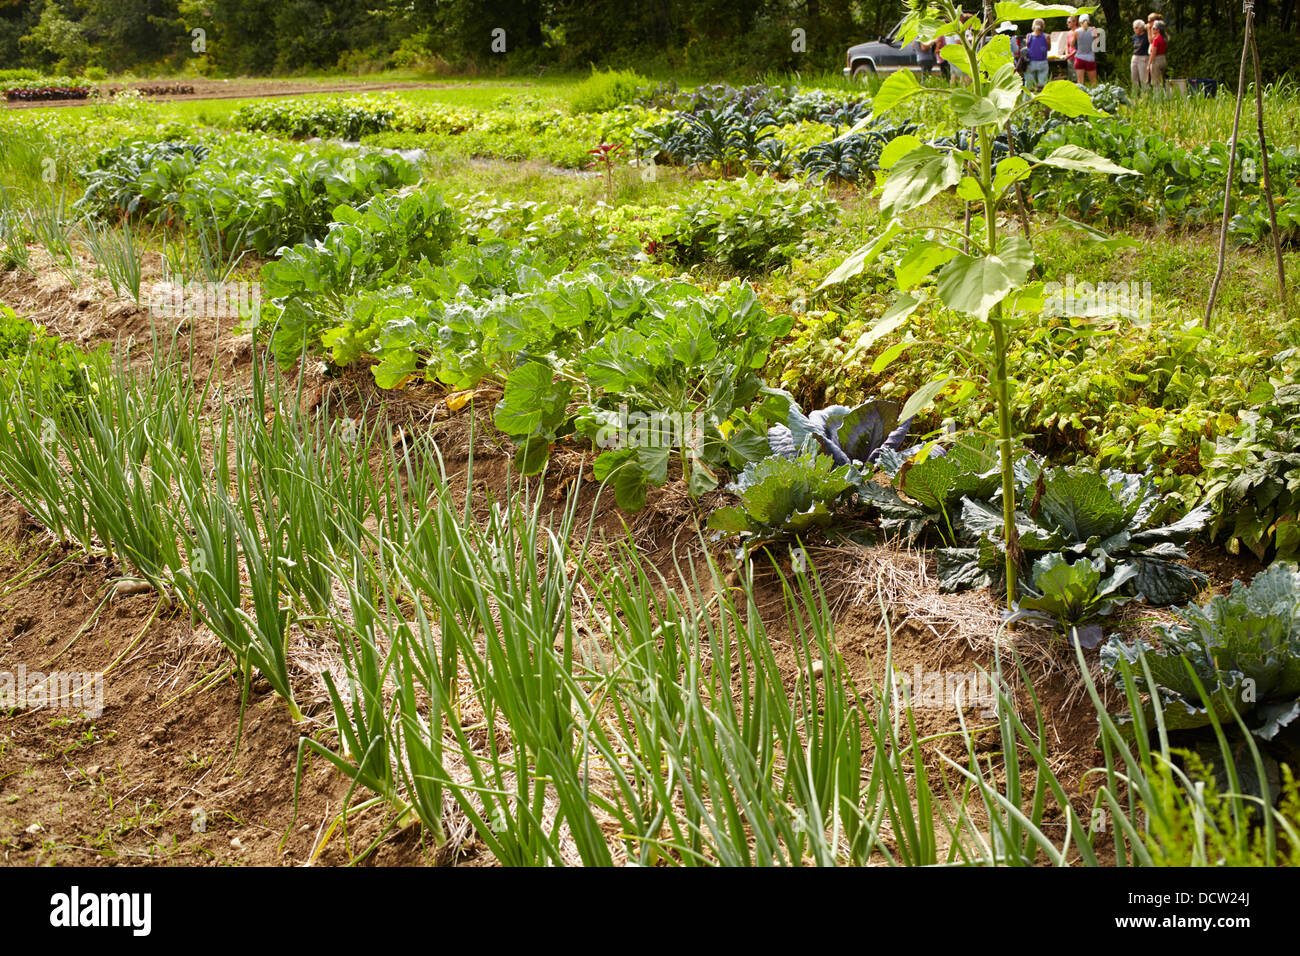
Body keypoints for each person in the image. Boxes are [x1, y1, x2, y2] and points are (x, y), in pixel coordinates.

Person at [1073, 13, 1099, 86]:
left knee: (1080, 83)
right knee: (1094, 83)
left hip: (1079, 58)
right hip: (1090, 58)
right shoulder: (1093, 30)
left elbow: (1072, 44)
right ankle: (1095, 96)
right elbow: (1097, 44)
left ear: (1080, 22)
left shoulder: (1077, 32)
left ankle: (1081, 96)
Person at [1025, 19, 1051, 88]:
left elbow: (1027, 47)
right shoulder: (1047, 36)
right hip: (1043, 62)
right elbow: (1048, 49)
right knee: (1042, 85)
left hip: (1031, 62)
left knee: (1029, 85)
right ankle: (1041, 98)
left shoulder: (1029, 36)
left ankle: (1027, 98)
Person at [1148, 19, 1168, 92]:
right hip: (1163, 59)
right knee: (1163, 81)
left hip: (1156, 60)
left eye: (1153, 28)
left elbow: (1153, 53)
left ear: (1158, 30)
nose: (1152, 29)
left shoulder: (1156, 39)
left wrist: (1149, 64)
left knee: (1156, 82)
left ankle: (1158, 99)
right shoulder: (1164, 38)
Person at [1130, 19, 1149, 91]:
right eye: (1134, 27)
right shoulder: (1134, 37)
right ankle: (1136, 95)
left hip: (1143, 57)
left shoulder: (1146, 36)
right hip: (1135, 57)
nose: (1134, 29)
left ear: (1141, 28)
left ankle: (1145, 95)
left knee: (1143, 78)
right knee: (1134, 77)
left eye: (1136, 27)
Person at [1064, 14, 1078, 82]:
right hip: (1069, 58)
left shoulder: (1078, 32)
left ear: (1075, 22)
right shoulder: (1069, 33)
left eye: (1069, 22)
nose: (1067, 23)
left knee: (1077, 78)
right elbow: (1066, 45)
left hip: (1077, 58)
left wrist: (1069, 55)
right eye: (1067, 22)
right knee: (1071, 77)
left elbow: (1079, 48)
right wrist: (1067, 54)